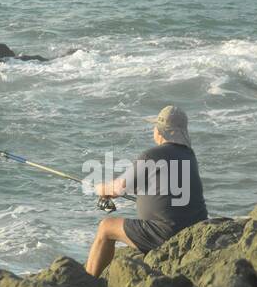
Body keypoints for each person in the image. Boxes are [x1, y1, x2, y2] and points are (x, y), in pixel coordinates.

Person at [85, 105, 208, 277]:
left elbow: (119, 187)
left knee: (106, 227)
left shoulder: (152, 155)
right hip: (193, 230)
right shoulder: (189, 155)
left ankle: (88, 279)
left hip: (165, 233)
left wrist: (101, 188)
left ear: (160, 131)